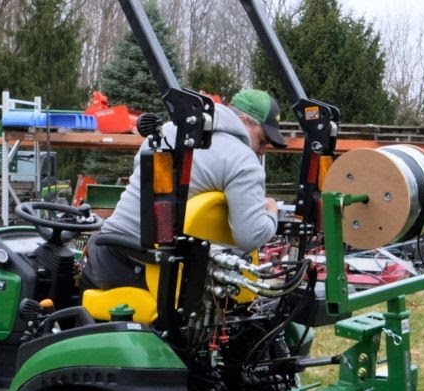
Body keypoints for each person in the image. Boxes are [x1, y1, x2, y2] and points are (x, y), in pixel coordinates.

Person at [82, 88, 288, 289]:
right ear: (243, 120)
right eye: (262, 141)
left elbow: (141, 171)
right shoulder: (244, 161)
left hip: (107, 253)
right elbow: (250, 235)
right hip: (149, 272)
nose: (262, 151)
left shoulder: (171, 129)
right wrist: (271, 212)